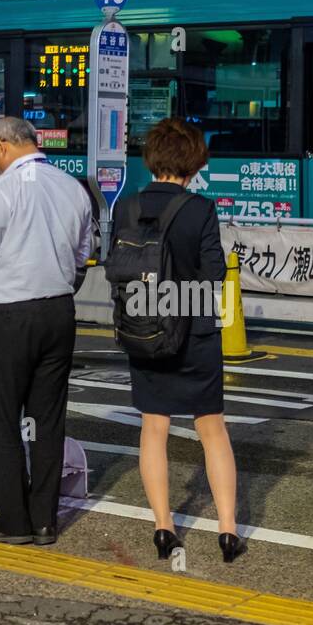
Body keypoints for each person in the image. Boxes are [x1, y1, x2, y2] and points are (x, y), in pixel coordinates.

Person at [0, 117, 94, 546]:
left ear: (1, 147)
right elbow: (84, 253)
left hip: (7, 317)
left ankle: (13, 519)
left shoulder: (2, 189)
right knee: (48, 419)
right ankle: (45, 519)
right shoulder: (74, 188)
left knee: (0, 419)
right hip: (58, 312)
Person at [114, 118, 245, 565]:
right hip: (193, 332)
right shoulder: (200, 209)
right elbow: (213, 275)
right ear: (193, 162)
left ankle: (164, 527)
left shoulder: (125, 207)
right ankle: (227, 530)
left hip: (144, 329)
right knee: (212, 429)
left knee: (154, 427)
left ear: (153, 157)